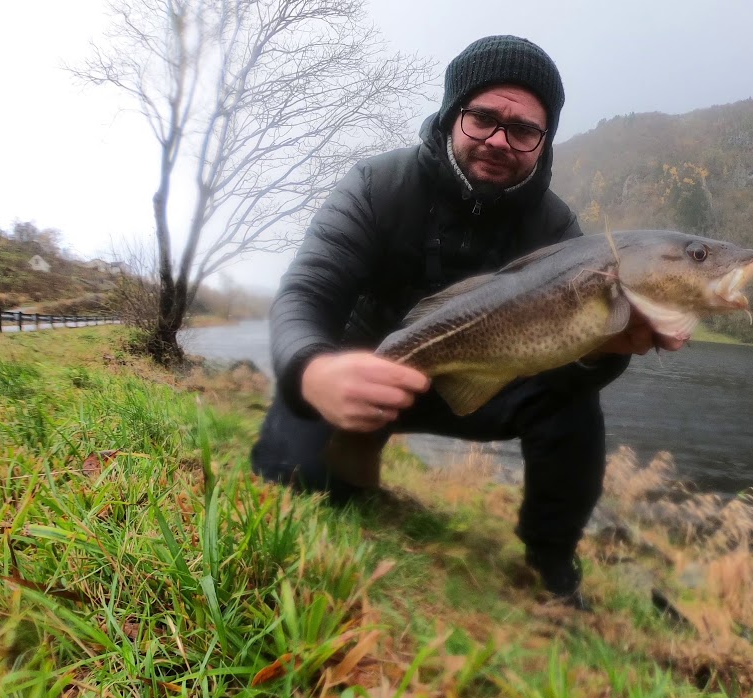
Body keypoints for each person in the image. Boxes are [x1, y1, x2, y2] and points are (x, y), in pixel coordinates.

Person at [250, 35, 682, 608]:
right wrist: (312, 374)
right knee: (295, 482)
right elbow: (304, 296)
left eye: (524, 130)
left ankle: (550, 560)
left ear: (544, 140)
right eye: (483, 118)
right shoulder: (376, 186)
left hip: (479, 386)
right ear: (453, 114)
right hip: (364, 375)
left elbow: (567, 374)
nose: (500, 141)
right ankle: (347, 457)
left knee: (575, 409)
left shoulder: (560, 231)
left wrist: (604, 350)